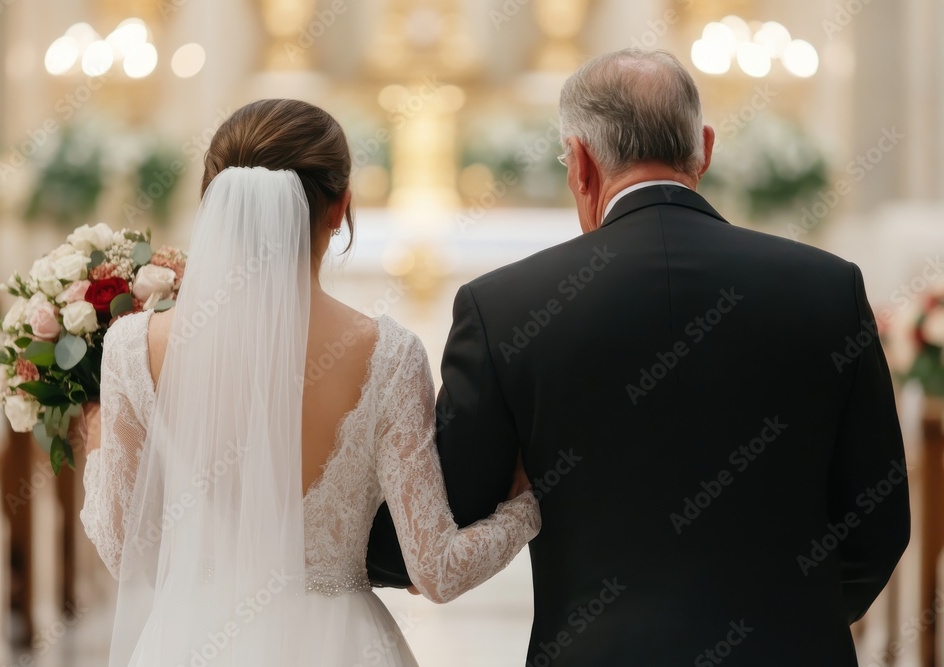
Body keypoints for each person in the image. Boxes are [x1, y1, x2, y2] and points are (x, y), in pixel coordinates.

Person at [368, 48, 910, 666]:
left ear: (579, 163)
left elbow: (443, 517)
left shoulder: (506, 309)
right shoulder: (827, 288)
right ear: (704, 148)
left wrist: (334, 533)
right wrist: (790, 618)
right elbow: (879, 521)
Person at [79, 98, 540, 666]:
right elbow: (437, 569)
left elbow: (126, 552)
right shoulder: (388, 355)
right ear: (340, 209)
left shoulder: (131, 347)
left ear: (215, 204)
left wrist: (97, 441)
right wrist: (527, 505)